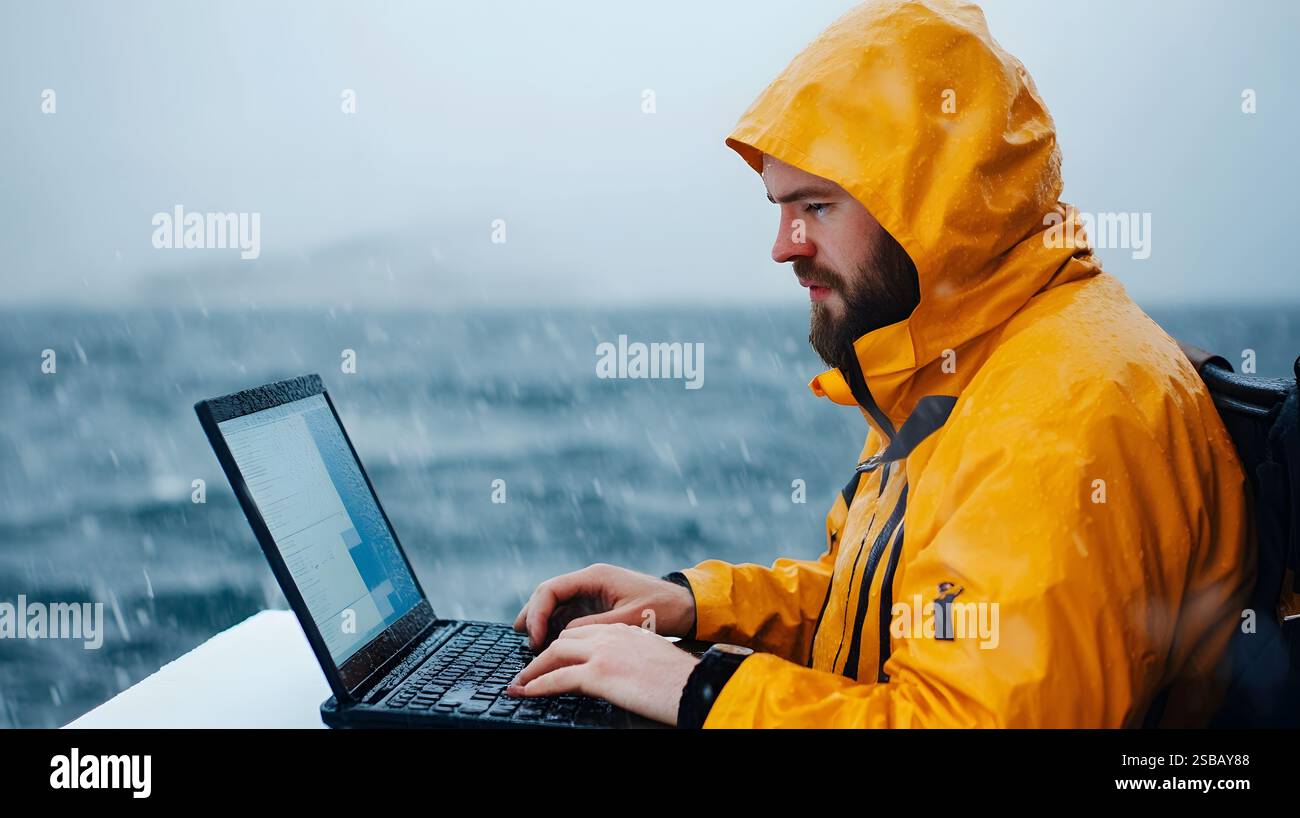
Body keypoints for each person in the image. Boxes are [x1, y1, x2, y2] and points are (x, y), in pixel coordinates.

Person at [508, 0, 1253, 727]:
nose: (784, 245)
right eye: (778, 207)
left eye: (816, 207)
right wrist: (696, 607)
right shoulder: (955, 361)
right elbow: (888, 610)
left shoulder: (1063, 412)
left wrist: (701, 691)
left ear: (934, 203)